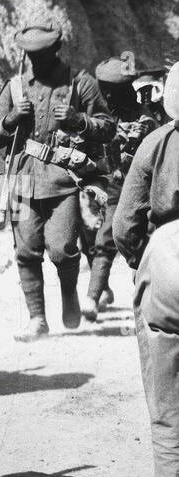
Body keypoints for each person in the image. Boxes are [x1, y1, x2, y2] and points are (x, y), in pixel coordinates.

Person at [0, 25, 115, 339]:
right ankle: (37, 320)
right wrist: (12, 118)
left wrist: (78, 120)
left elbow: (108, 128)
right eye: (31, 56)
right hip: (21, 178)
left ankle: (70, 294)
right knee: (26, 251)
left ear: (55, 52)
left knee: (62, 249)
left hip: (63, 179)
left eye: (41, 56)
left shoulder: (80, 83)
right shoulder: (15, 87)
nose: (35, 62)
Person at [112, 62, 179, 477]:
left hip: (169, 262)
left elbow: (124, 224)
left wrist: (147, 262)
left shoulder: (157, 142)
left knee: (168, 405)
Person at [81, 55, 159, 321]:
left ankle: (92, 297)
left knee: (107, 238)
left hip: (125, 185)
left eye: (110, 90)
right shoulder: (95, 115)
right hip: (94, 181)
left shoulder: (144, 120)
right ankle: (103, 289)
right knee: (87, 237)